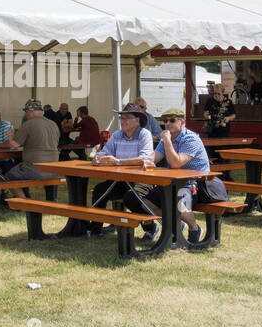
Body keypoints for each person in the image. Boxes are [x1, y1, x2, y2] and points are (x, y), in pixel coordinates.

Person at [144, 107, 226, 245]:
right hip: (172, 183)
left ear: (182, 123)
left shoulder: (190, 139)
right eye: (165, 121)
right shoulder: (166, 139)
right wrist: (147, 162)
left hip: (195, 184)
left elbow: (176, 163)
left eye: (172, 120)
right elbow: (153, 158)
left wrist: (167, 140)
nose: (167, 124)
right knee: (146, 203)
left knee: (178, 205)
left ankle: (195, 229)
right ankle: (174, 226)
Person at [85, 104, 156, 237]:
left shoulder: (144, 134)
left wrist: (117, 162)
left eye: (127, 118)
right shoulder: (117, 134)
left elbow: (145, 159)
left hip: (142, 180)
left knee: (132, 197)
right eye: (121, 118)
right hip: (121, 180)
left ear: (138, 120)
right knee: (99, 190)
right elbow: (105, 152)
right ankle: (95, 230)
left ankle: (150, 227)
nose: (123, 121)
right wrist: (97, 158)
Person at [2, 99, 62, 195]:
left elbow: (14, 146)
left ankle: (24, 203)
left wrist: (10, 135)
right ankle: (52, 200)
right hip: (53, 169)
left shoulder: (28, 124)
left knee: (9, 176)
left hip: (34, 169)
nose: (26, 115)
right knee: (48, 177)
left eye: (26, 112)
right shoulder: (53, 124)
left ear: (30, 111)